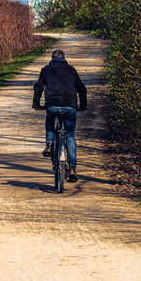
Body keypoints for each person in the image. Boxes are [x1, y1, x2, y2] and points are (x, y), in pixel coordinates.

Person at [33, 49, 87, 182]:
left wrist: (36, 104)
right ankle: (73, 168)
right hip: (70, 106)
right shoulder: (71, 70)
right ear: (64, 58)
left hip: (52, 105)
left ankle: (49, 145)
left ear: (52, 58)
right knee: (70, 136)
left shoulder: (46, 70)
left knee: (50, 118)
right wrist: (83, 106)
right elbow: (81, 88)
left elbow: (38, 87)